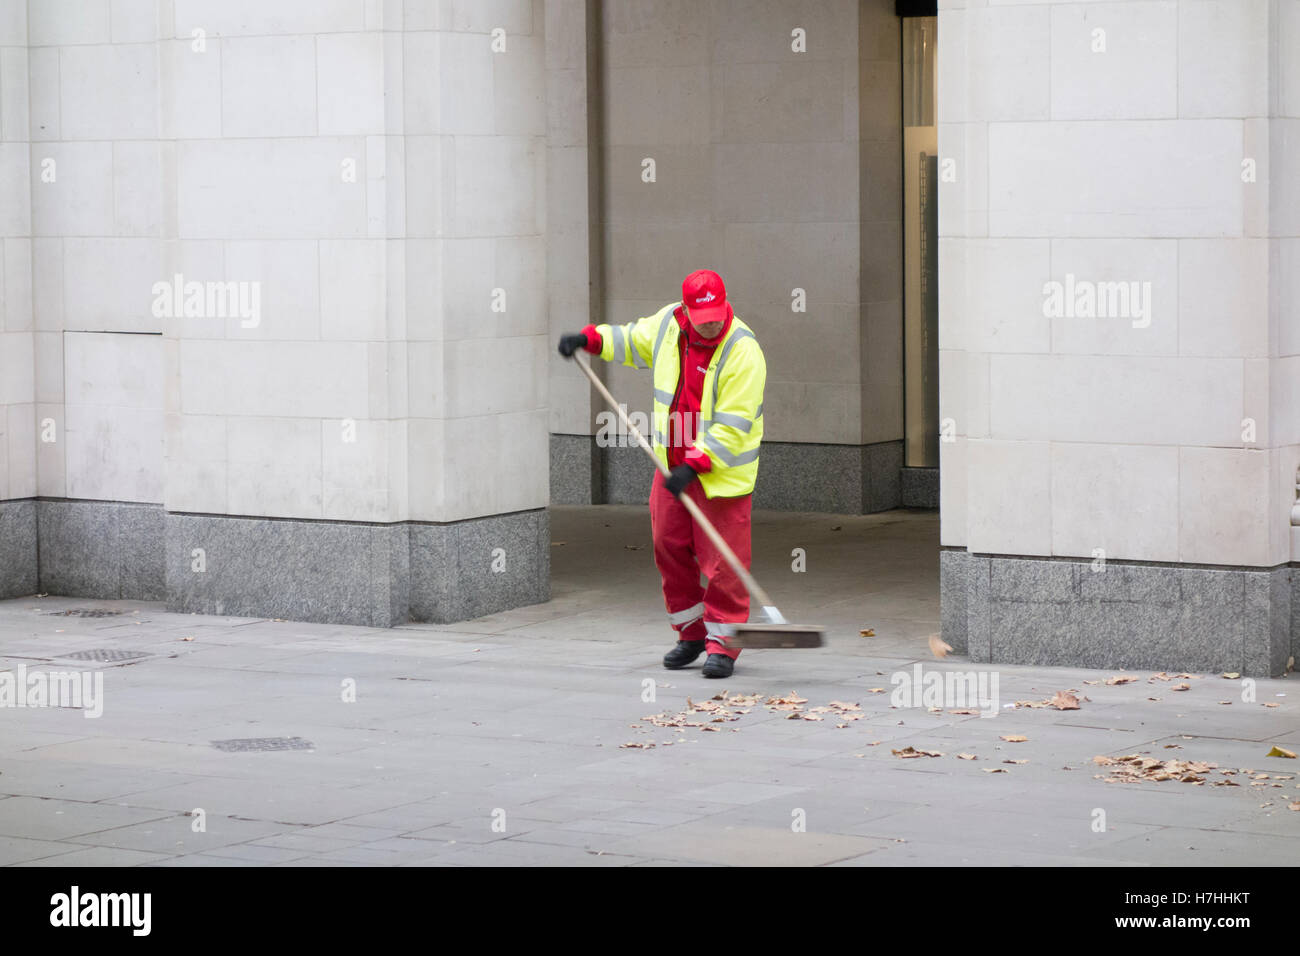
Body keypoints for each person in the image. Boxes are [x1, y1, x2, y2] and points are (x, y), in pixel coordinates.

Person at [558, 269, 767, 679]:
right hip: (672, 465)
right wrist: (589, 339)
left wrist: (695, 464)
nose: (710, 322)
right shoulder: (671, 324)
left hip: (718, 477)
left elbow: (732, 425)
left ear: (726, 305)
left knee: (723, 562)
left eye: (716, 314)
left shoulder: (743, 350)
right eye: (701, 315)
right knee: (668, 546)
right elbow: (632, 340)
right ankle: (690, 633)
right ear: (687, 310)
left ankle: (723, 644)